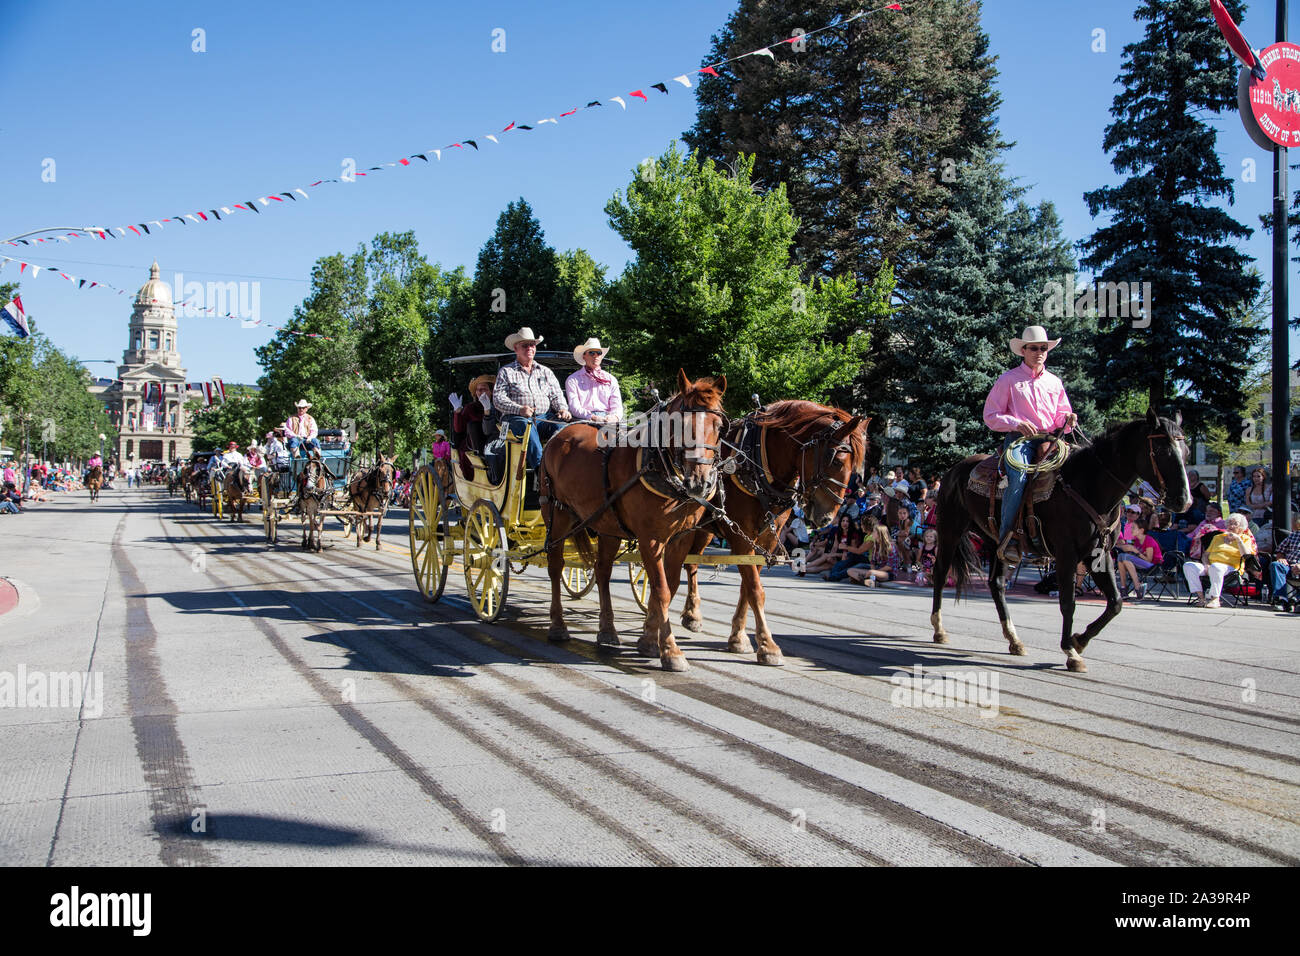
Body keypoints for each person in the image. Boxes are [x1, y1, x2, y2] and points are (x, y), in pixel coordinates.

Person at [982, 325, 1077, 564]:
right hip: (1020, 440)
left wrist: (1068, 420)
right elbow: (990, 415)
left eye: (1043, 348)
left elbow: (1060, 417)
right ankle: (1008, 539)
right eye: (1034, 348)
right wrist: (1016, 423)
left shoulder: (1054, 382)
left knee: (1072, 476)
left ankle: (1048, 537)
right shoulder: (1009, 379)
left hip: (1049, 440)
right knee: (1020, 478)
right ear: (1023, 350)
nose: (1039, 352)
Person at [493, 327, 572, 469]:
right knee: (526, 426)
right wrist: (519, 409)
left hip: (543, 418)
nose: (529, 348)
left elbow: (556, 394)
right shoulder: (506, 371)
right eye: (525, 345)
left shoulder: (545, 371)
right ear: (516, 349)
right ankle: (541, 470)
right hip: (515, 419)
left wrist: (562, 409)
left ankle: (564, 468)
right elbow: (498, 399)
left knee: (563, 429)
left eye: (532, 345)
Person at [1184, 513, 1256, 608]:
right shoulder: (1218, 537)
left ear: (1241, 528)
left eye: (1235, 524)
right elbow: (1206, 555)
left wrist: (1238, 540)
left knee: (1216, 567)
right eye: (1229, 523)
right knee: (1188, 565)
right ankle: (1201, 598)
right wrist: (1206, 565)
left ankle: (1215, 599)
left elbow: (1247, 555)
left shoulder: (1244, 539)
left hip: (1231, 569)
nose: (1231, 526)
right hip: (1211, 566)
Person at [565, 337, 623, 423]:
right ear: (584, 356)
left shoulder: (611, 379)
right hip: (583, 419)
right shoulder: (573, 380)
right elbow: (574, 407)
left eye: (599, 353)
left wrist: (614, 417)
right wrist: (592, 417)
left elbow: (617, 405)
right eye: (592, 353)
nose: (595, 356)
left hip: (608, 419)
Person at [1116, 516, 1163, 601]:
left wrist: (1134, 550)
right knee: (1121, 557)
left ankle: (1137, 586)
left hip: (1154, 566)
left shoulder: (1149, 540)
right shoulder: (1137, 540)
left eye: (1133, 528)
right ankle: (1124, 589)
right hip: (1141, 564)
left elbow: (1149, 559)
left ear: (1141, 530)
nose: (1131, 530)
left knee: (1125, 557)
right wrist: (1126, 548)